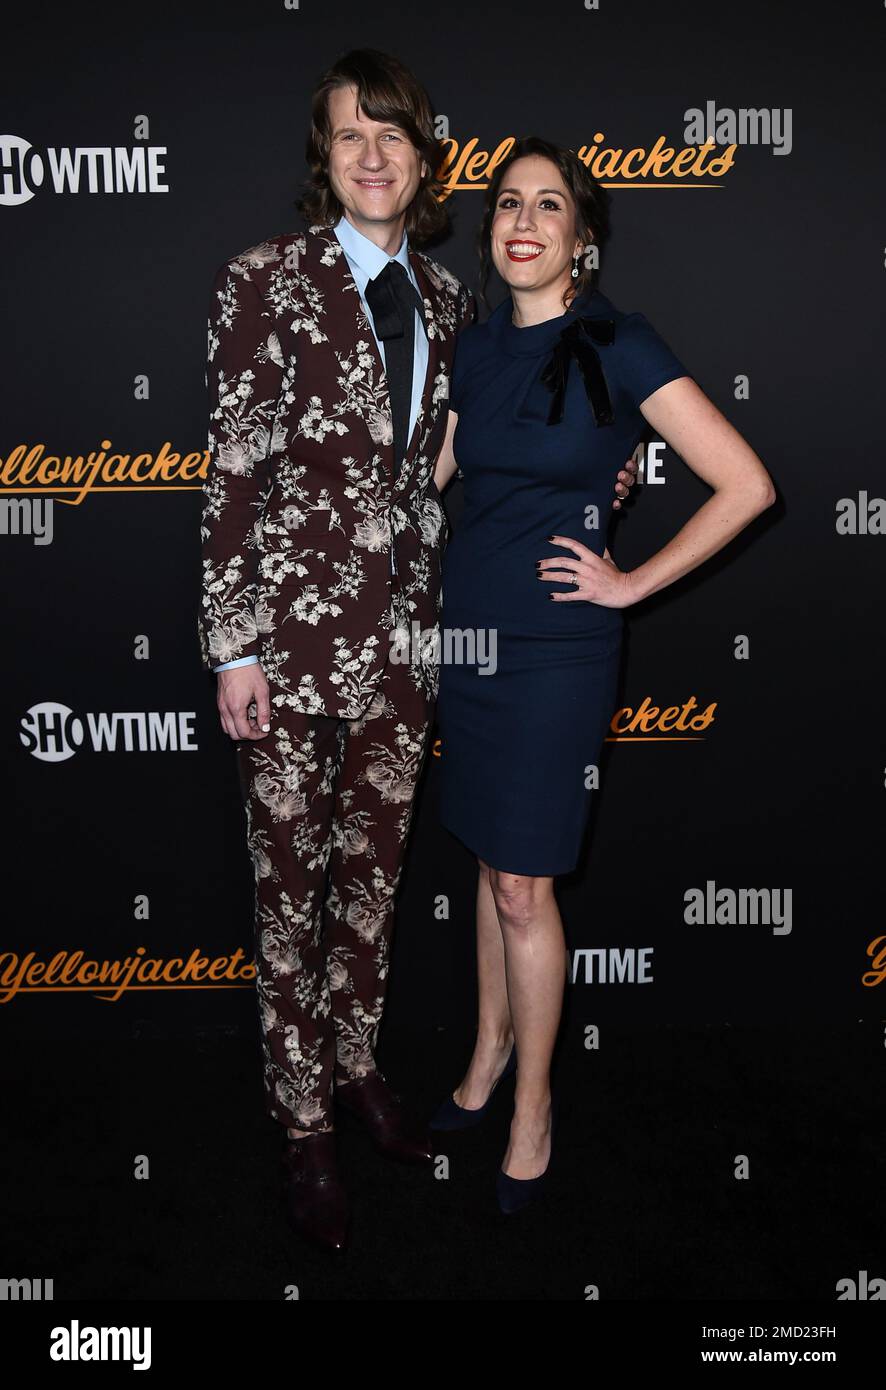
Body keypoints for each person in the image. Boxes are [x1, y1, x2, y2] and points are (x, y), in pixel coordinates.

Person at [198, 56, 641, 1252]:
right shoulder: (261, 282)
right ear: (326, 159)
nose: (374, 156)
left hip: (411, 652)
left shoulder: (454, 306)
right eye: (351, 137)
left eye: (392, 136)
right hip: (285, 653)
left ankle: (356, 1075)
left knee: (373, 892)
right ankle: (303, 1129)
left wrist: (609, 462)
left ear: (422, 158)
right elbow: (232, 474)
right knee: (288, 896)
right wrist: (233, 647)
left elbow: (472, 462)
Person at [430, 136, 776, 1213]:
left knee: (525, 885)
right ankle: (485, 1053)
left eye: (547, 205)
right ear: (491, 232)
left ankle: (533, 1102)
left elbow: (746, 484)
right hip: (467, 640)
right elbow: (433, 479)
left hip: (557, 652)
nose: (522, 220)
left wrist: (629, 581)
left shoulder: (622, 342)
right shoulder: (474, 351)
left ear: (581, 239)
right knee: (490, 864)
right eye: (505, 204)